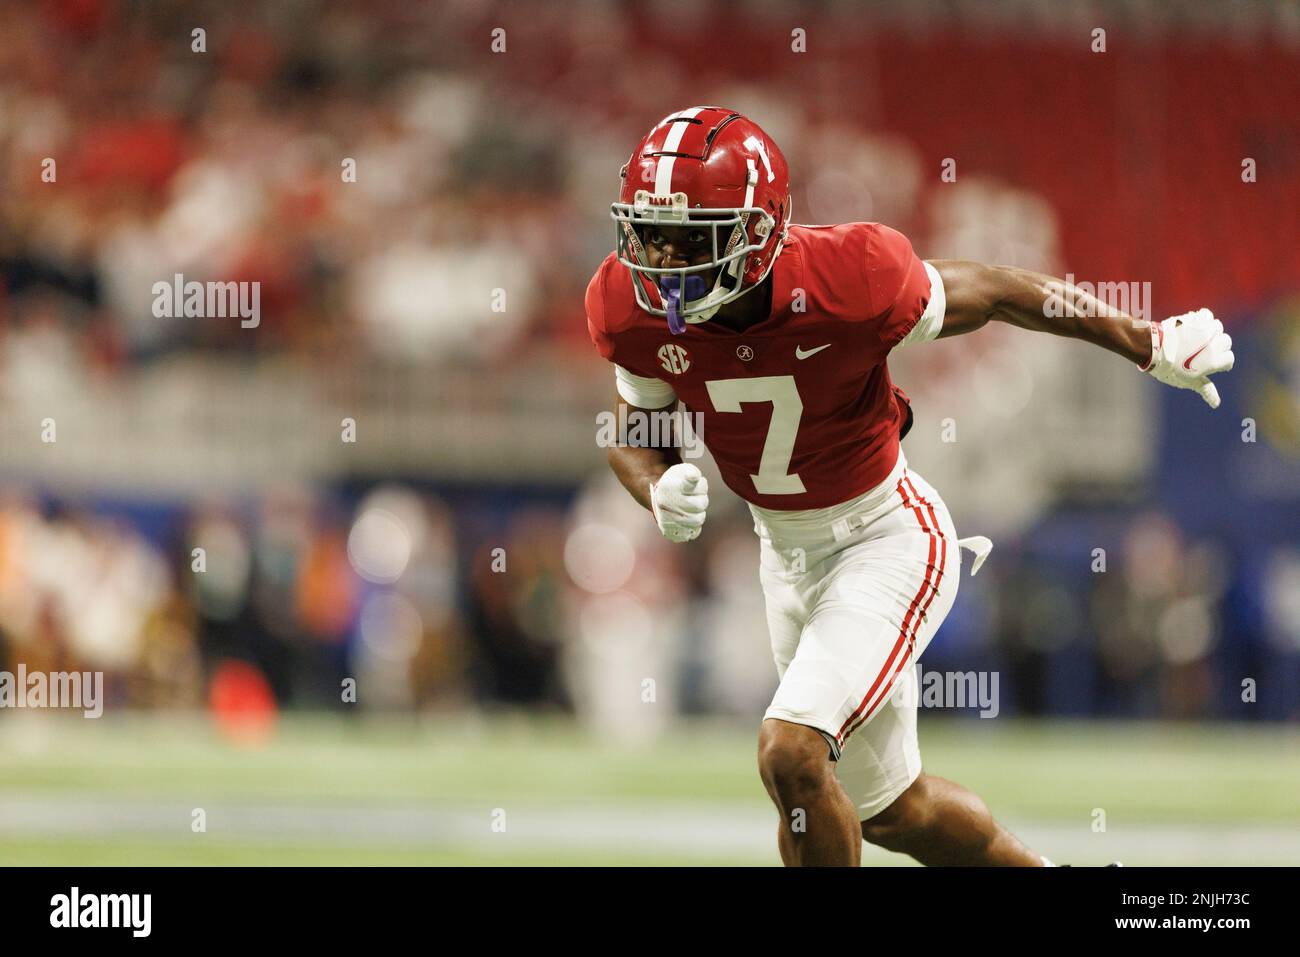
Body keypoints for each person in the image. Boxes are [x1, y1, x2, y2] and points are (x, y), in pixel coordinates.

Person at [584, 106, 1234, 866]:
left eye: (692, 239)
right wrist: (656, 486)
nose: (664, 262)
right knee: (893, 811)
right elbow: (635, 429)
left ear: (758, 232)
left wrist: (1147, 341)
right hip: (782, 556)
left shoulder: (847, 277)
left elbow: (998, 290)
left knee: (791, 752)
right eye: (652, 235)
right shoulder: (631, 305)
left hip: (884, 537)